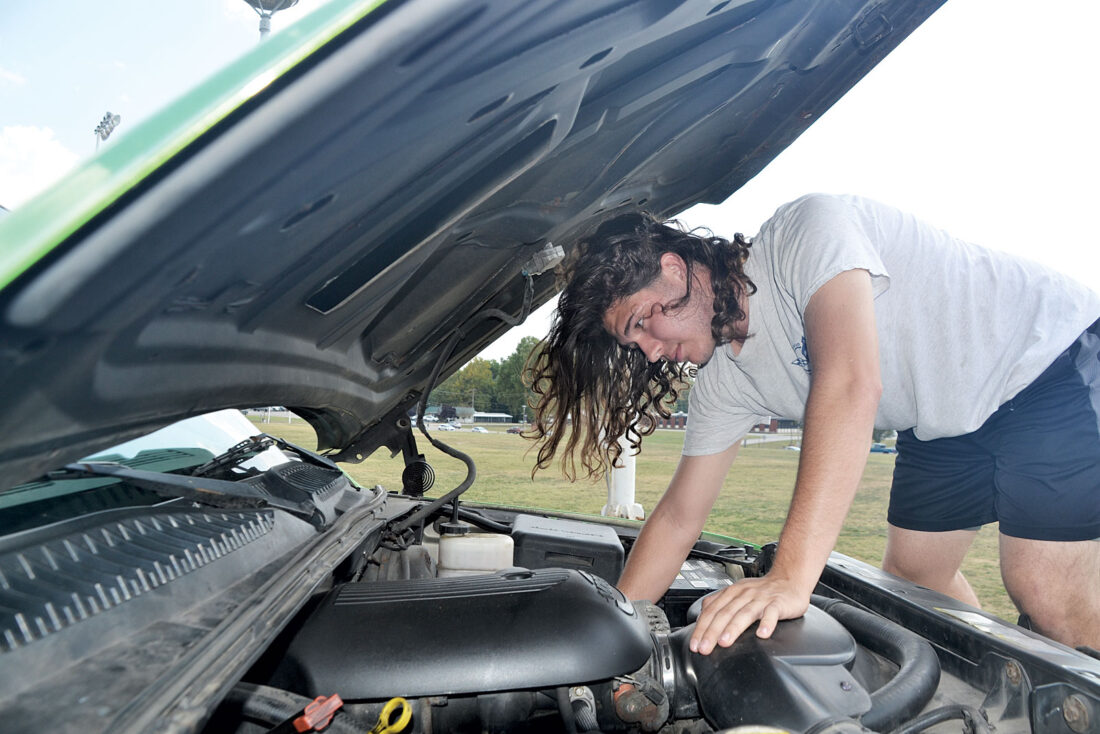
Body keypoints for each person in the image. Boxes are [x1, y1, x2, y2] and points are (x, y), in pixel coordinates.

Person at [526, 193, 1100, 651]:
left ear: (674, 271)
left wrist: (790, 577)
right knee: (915, 582)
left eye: (642, 325)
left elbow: (851, 383)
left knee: (1045, 590)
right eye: (636, 344)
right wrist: (615, 636)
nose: (650, 352)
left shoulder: (803, 231)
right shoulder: (727, 378)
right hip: (943, 422)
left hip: (1041, 357)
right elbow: (679, 517)